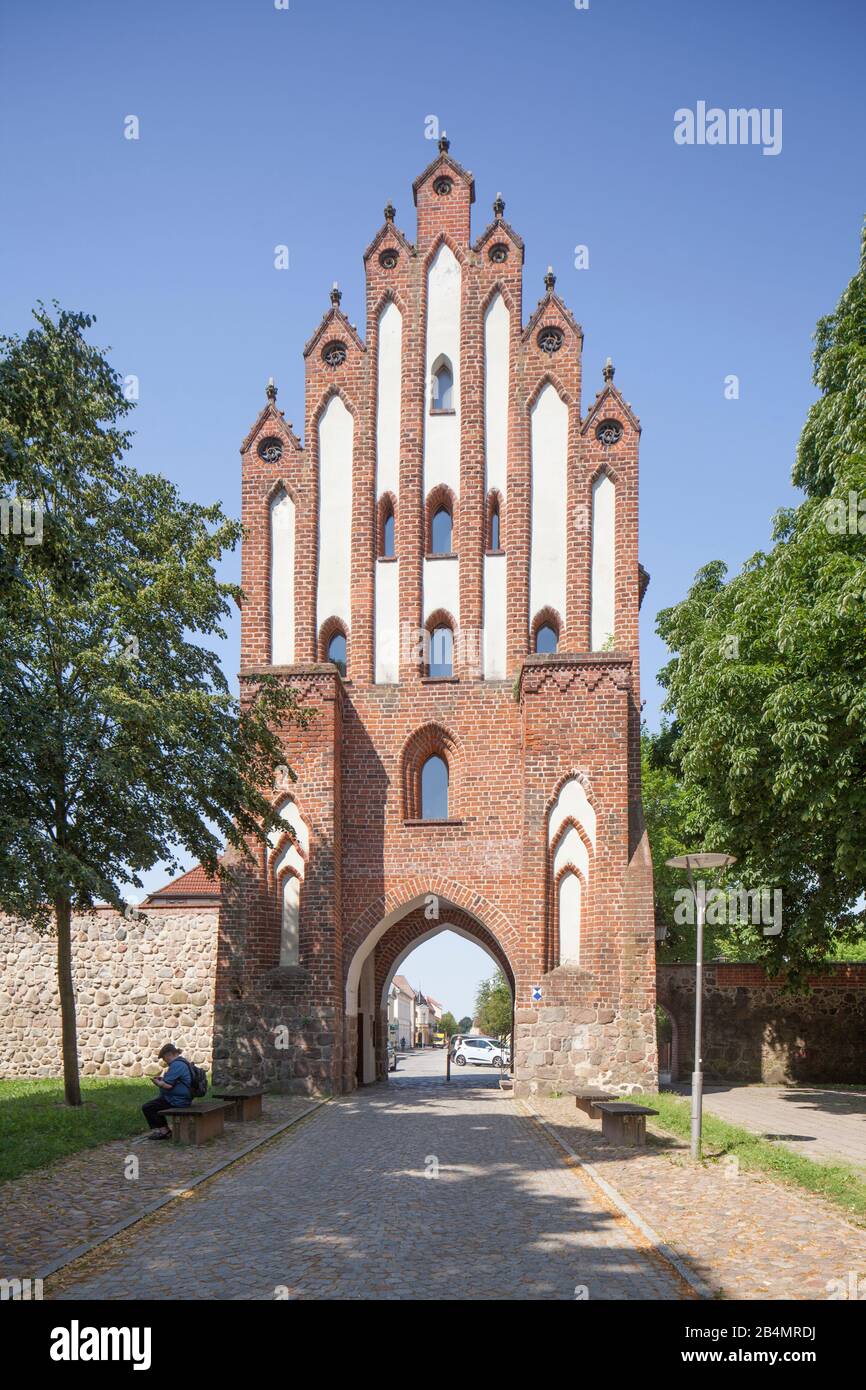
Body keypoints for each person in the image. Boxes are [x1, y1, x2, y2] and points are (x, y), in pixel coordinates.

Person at [141, 1043, 193, 1140]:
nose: (165, 1061)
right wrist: (162, 1079)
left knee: (148, 1107)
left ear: (169, 1054)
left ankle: (165, 1132)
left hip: (178, 1100)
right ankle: (165, 1131)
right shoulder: (182, 1062)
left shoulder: (177, 1065)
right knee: (156, 1104)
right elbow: (174, 1081)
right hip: (180, 1098)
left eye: (164, 1058)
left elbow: (168, 1085)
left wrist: (157, 1082)